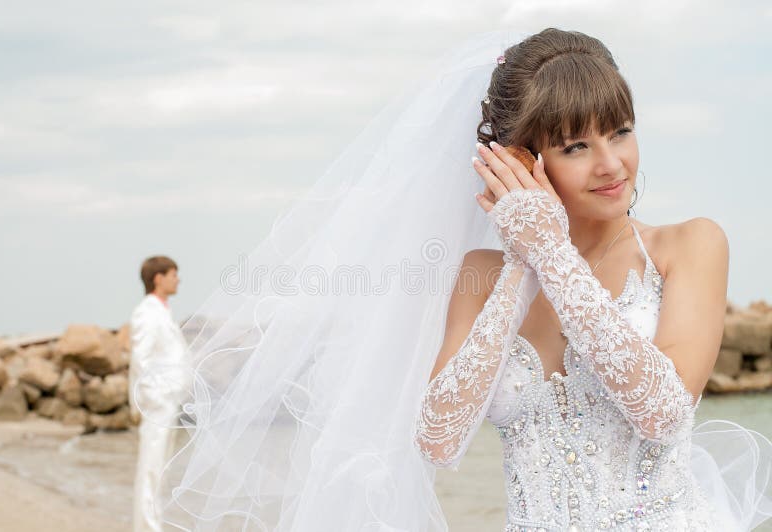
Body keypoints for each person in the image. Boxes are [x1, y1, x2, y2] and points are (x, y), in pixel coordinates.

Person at [157, 29, 771, 531]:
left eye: (621, 132)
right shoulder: (480, 277)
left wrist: (552, 254)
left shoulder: (689, 245)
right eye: (576, 145)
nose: (612, 164)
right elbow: (439, 439)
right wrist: (522, 266)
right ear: (519, 160)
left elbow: (663, 413)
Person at [129, 255, 191, 532]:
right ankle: (147, 527)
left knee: (161, 469)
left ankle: (153, 524)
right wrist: (154, 398)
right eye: (173, 274)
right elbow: (140, 359)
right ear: (158, 278)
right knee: (151, 469)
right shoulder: (147, 312)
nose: (178, 279)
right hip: (158, 403)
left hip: (169, 402)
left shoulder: (162, 311)